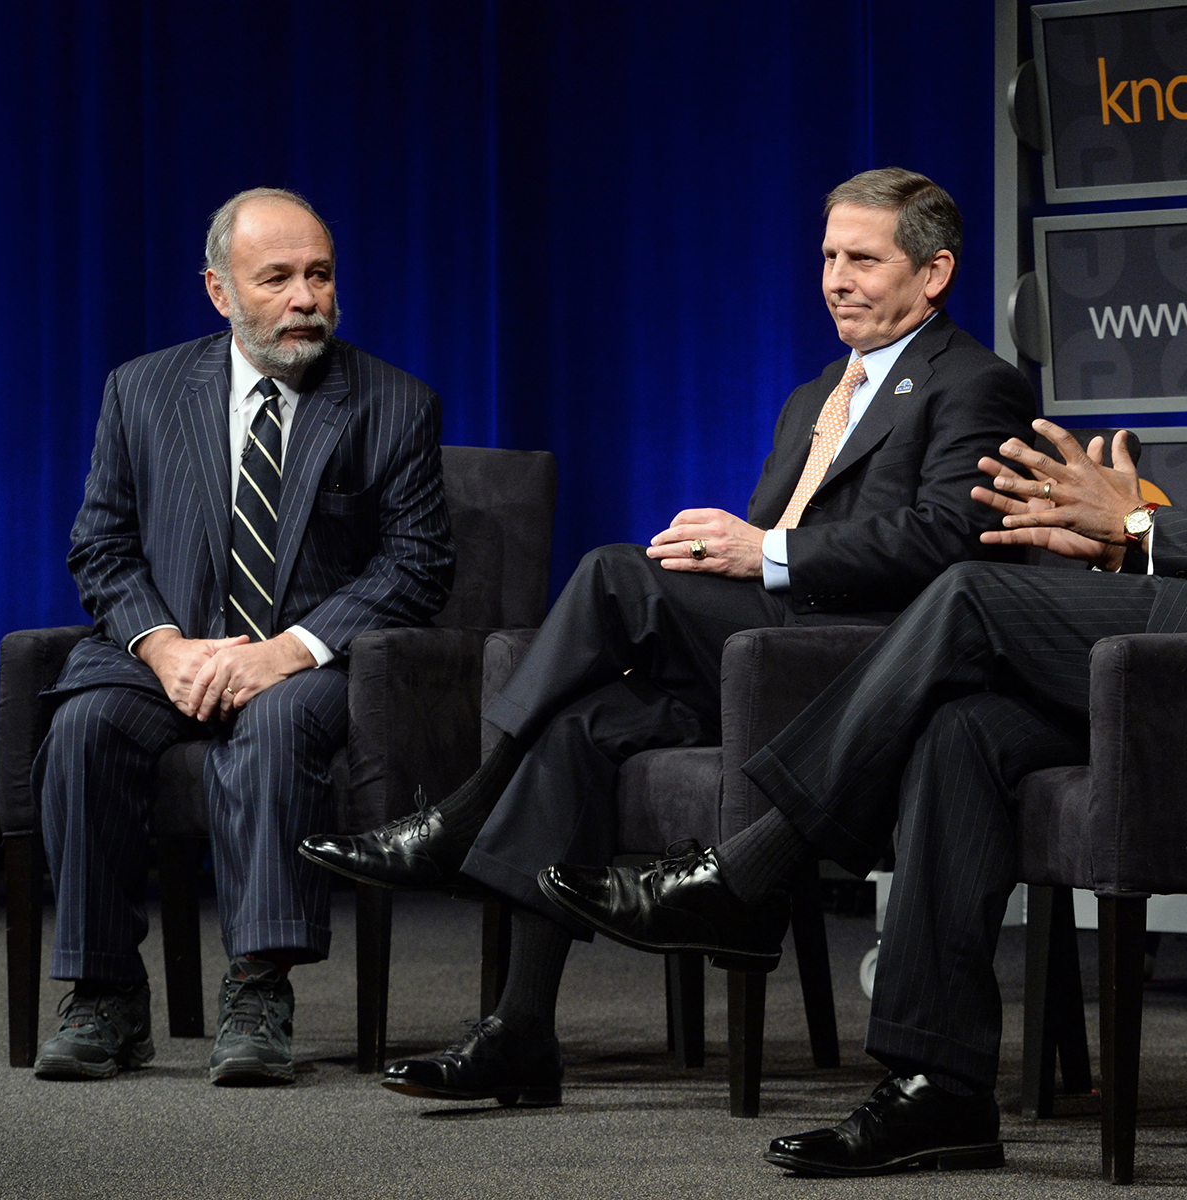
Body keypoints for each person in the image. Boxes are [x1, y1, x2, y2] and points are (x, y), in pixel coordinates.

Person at [541, 133, 1187, 1175]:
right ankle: (939, 1085)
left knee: (969, 594)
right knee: (961, 732)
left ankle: (753, 868)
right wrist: (1111, 538)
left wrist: (1138, 533)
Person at [299, 168, 1036, 1106]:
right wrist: (722, 551)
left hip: (865, 664)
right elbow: (776, 541)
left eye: (863, 258)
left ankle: (461, 813)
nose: (836, 279)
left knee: (613, 573)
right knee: (580, 726)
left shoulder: (976, 382)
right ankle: (520, 1030)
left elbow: (947, 538)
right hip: (757, 653)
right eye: (827, 257)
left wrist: (763, 547)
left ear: (934, 274)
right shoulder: (818, 392)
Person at [32, 188, 454, 1086]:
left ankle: (259, 989)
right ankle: (103, 994)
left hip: (304, 659)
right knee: (82, 730)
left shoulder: (395, 404)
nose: (307, 299)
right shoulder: (141, 390)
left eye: (321, 276)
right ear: (221, 292)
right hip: (166, 652)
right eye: (279, 279)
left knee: (275, 727)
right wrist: (163, 645)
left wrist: (289, 650)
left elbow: (416, 567)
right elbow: (99, 545)